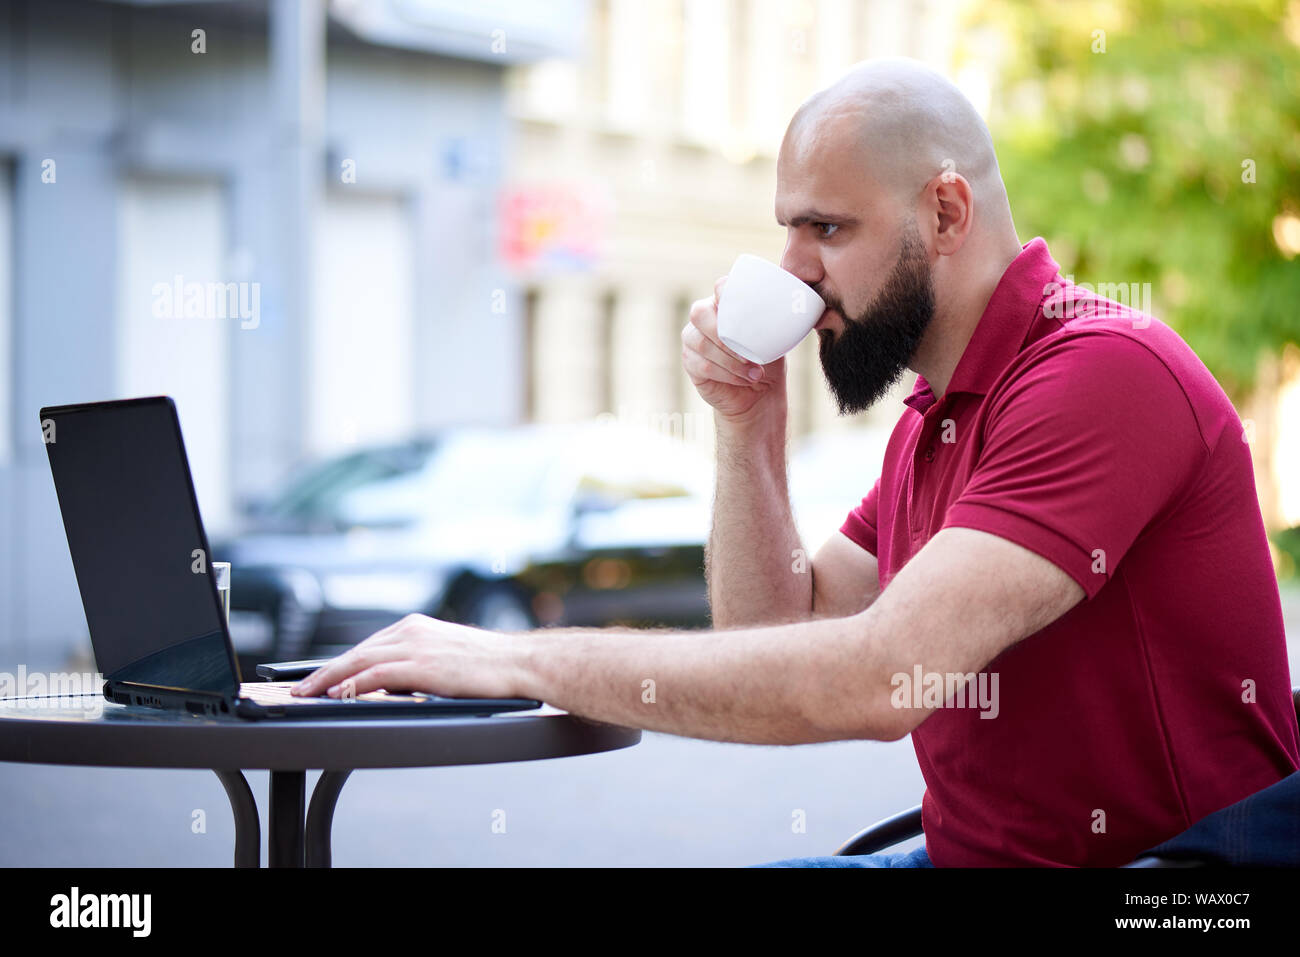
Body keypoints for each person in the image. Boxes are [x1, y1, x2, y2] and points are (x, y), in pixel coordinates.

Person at [291, 57, 1300, 867]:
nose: (792, 272)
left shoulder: (1099, 374)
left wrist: (511, 658)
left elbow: (873, 681)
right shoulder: (934, 414)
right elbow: (771, 633)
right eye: (787, 229)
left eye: (826, 228)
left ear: (945, 215)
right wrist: (746, 429)